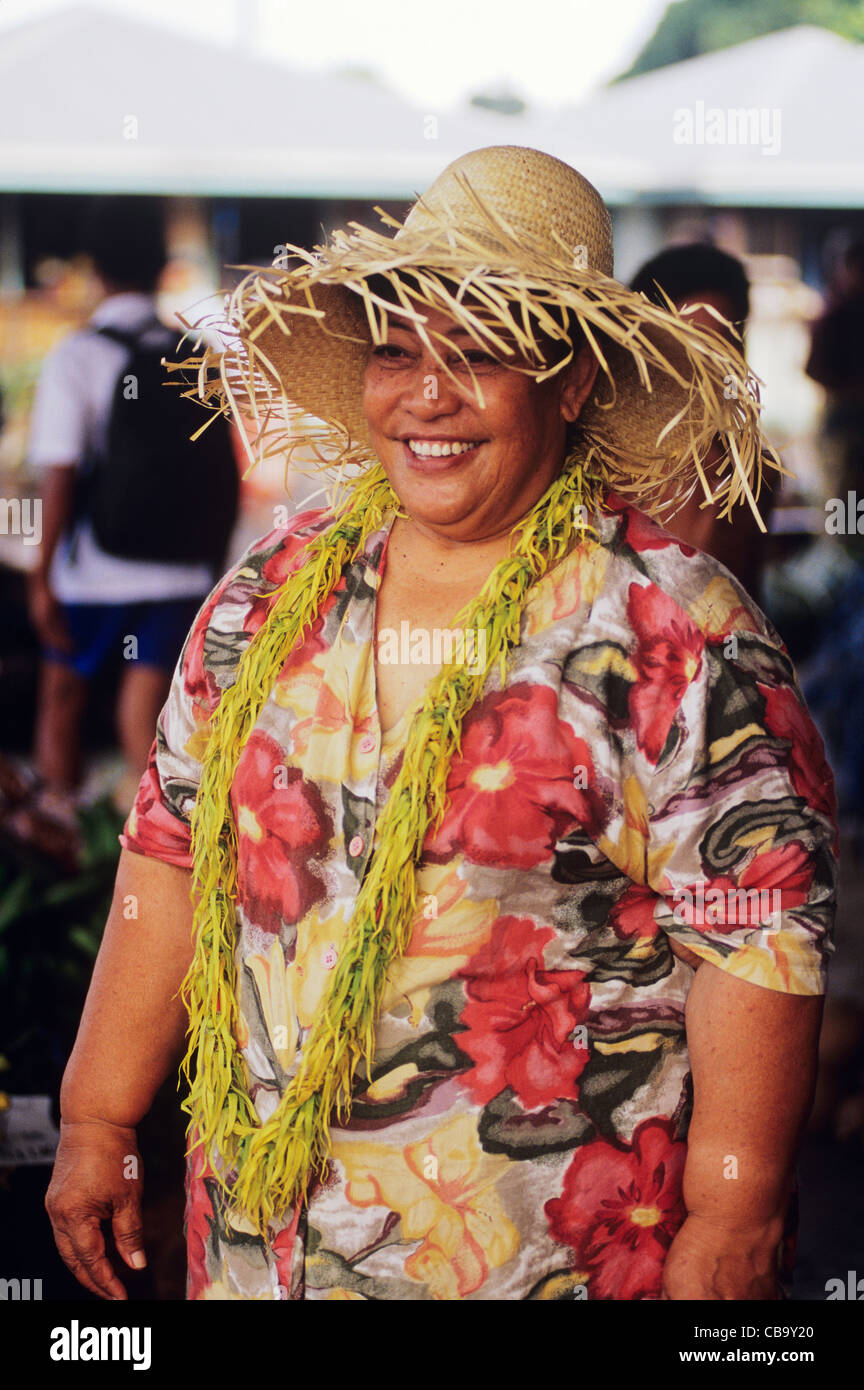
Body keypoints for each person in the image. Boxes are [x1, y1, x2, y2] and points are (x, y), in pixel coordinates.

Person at [46, 147, 836, 1302]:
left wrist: (737, 1205)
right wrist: (97, 1111)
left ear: (571, 382)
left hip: (538, 1264)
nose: (427, 394)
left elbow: (756, 932)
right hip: (264, 1255)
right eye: (398, 351)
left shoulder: (677, 630)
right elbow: (166, 856)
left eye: (478, 354)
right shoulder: (270, 594)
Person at [25, 197, 236, 824]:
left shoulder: (79, 354)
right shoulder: (192, 351)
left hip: (95, 568)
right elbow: (223, 471)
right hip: (178, 571)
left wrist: (40, 576)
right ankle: (151, 839)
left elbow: (59, 471)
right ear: (160, 267)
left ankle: (61, 836)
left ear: (96, 270)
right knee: (146, 709)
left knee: (62, 695)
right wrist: (213, 563)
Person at [630, 243, 771, 596]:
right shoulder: (600, 469)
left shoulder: (758, 470)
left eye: (722, 347)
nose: (706, 370)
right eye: (685, 348)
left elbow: (750, 607)